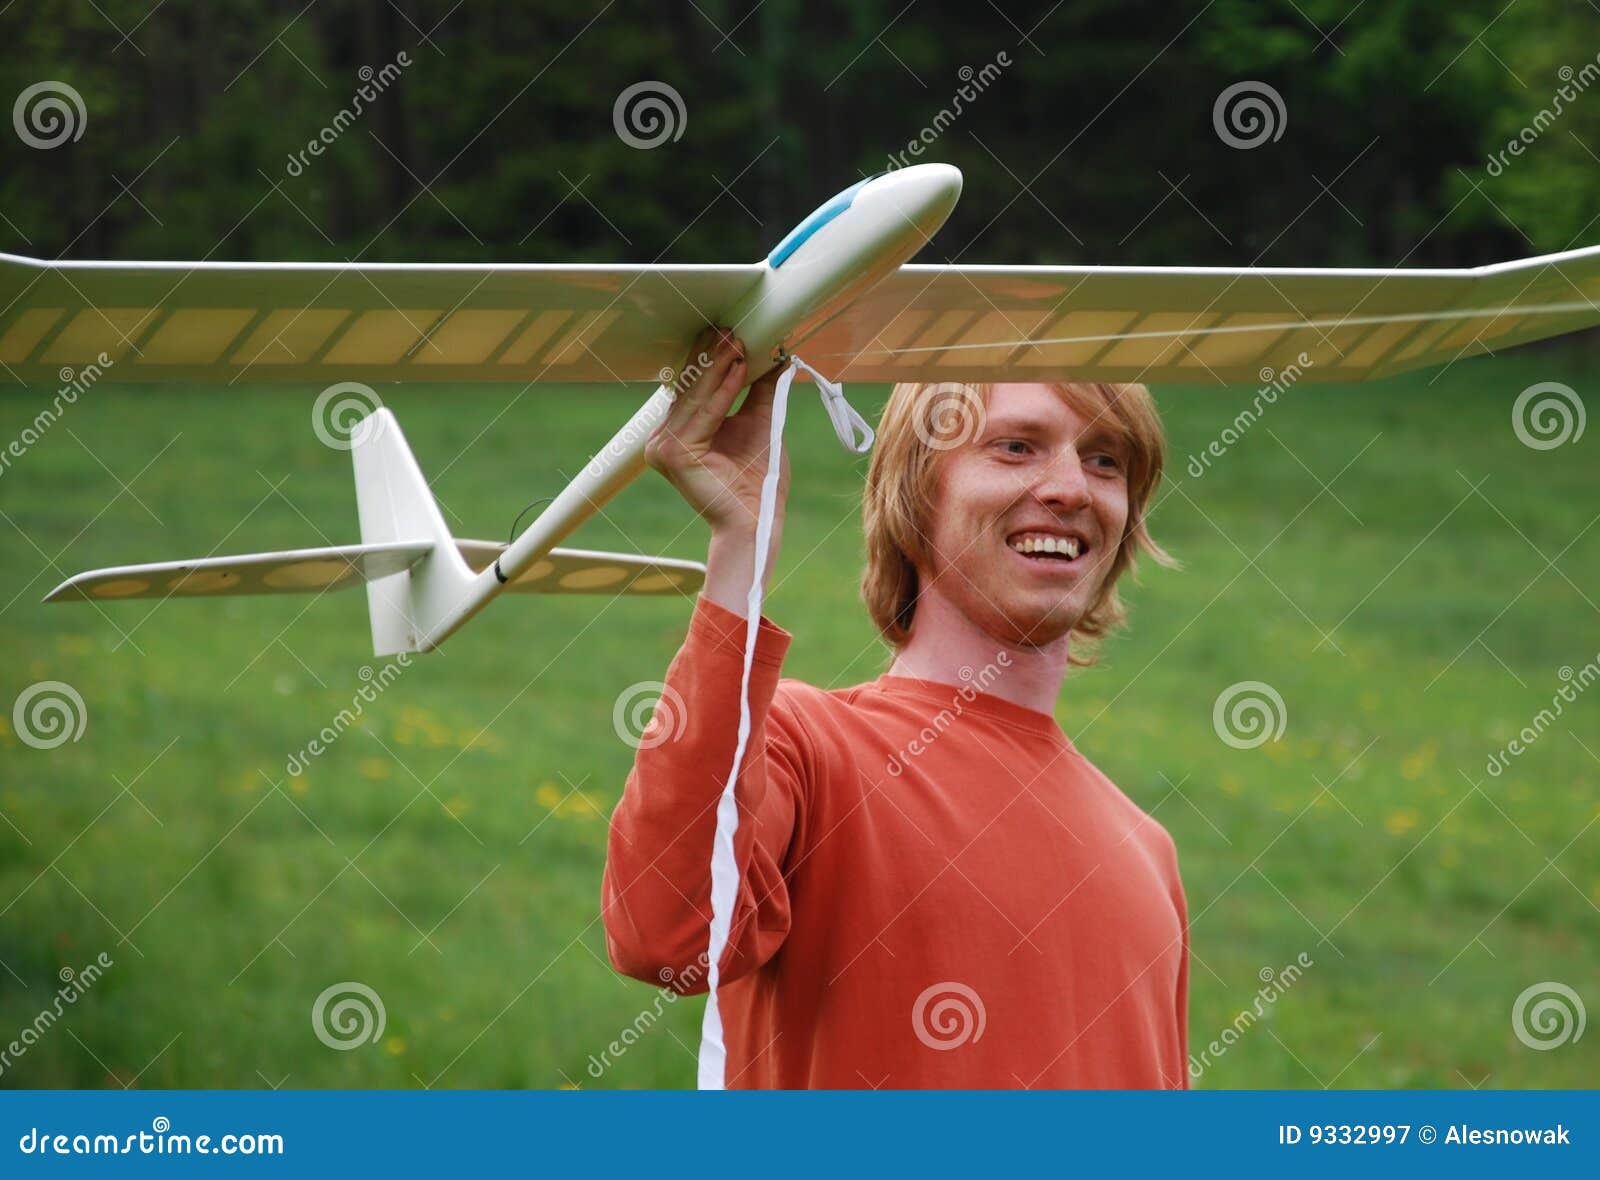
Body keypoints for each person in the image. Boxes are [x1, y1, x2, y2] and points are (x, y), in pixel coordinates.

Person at [601, 325, 1187, 1088]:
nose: (1072, 488)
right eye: (1016, 447)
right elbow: (667, 938)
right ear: (918, 491)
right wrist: (740, 552)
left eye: (1105, 460)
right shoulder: (804, 745)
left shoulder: (1148, 850)